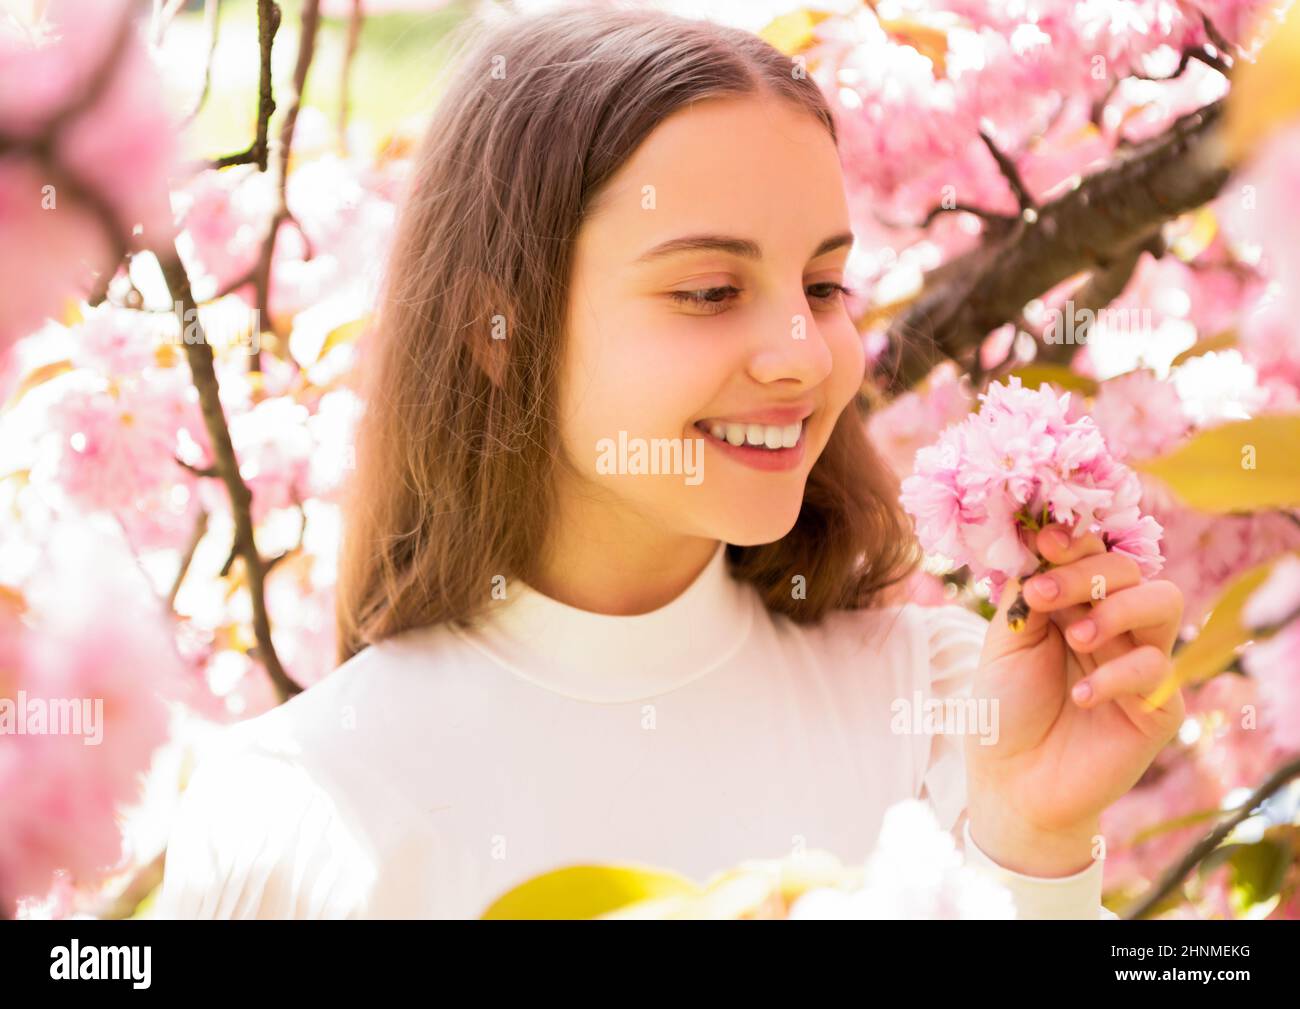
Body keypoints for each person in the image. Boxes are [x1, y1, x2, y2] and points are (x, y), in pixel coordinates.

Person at [155, 3, 1184, 920]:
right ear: (498, 330)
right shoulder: (296, 809)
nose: (801, 354)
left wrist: (1034, 849)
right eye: (707, 291)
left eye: (822, 284)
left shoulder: (939, 711)